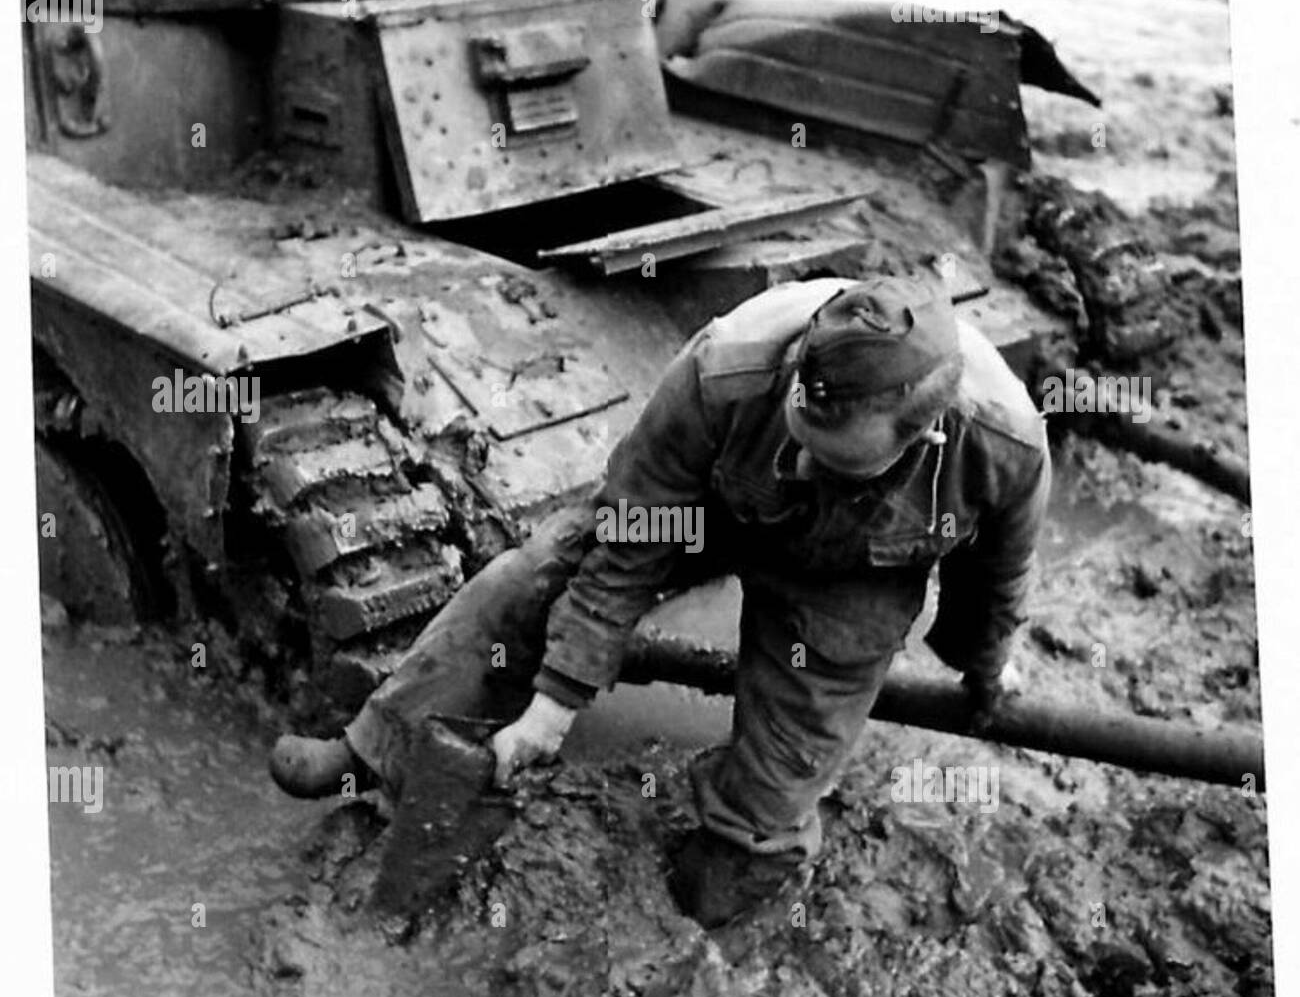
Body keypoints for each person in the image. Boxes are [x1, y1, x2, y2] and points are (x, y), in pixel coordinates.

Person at [270, 275, 1051, 928]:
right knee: (528, 581)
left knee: (759, 832)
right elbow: (628, 542)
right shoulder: (728, 367)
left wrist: (986, 666)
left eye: (834, 460)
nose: (805, 462)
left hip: (851, 576)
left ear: (923, 440)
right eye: (801, 436)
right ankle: (374, 747)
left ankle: (705, 899)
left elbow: (998, 576)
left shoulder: (1004, 441)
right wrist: (555, 703)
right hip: (706, 504)